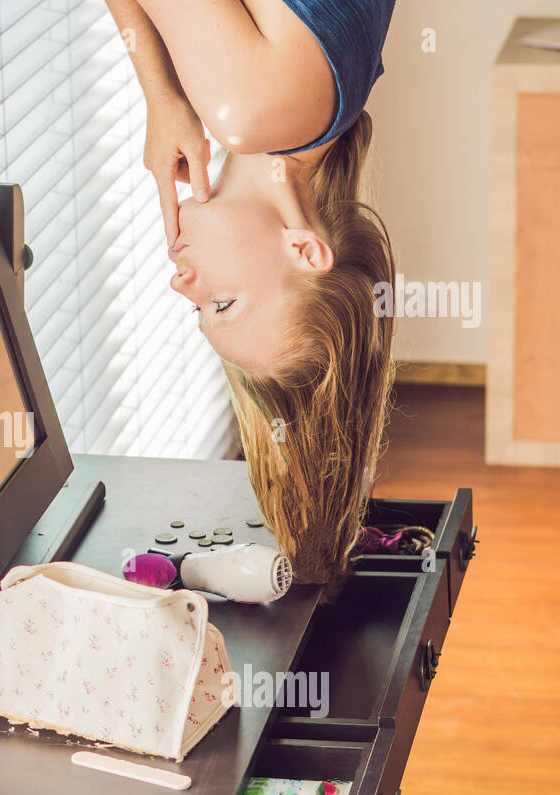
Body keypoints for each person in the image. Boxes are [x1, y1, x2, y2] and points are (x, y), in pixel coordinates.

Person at [106, 0, 398, 600]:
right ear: (305, 253)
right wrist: (162, 92)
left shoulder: (332, 93)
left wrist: (163, 96)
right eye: (224, 304)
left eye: (198, 310)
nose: (181, 284)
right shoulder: (248, 108)